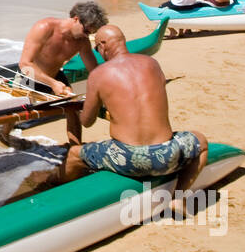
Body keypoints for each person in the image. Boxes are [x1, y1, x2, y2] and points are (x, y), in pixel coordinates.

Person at [62, 25, 208, 195]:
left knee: (74, 154)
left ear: (102, 44)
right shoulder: (152, 63)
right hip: (168, 154)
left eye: (97, 49)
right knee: (201, 140)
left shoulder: (99, 74)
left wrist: (72, 108)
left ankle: (63, 193)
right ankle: (179, 195)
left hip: (128, 159)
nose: (98, 53)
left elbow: (87, 122)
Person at [18, 1, 108, 144]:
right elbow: (24, 64)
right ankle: (4, 135)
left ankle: (75, 148)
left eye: (90, 34)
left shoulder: (82, 41)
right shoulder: (45, 28)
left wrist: (107, 89)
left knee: (73, 108)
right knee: (15, 111)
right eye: (86, 31)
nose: (87, 36)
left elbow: (94, 70)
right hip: (30, 75)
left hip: (55, 77)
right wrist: (53, 84)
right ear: (76, 19)